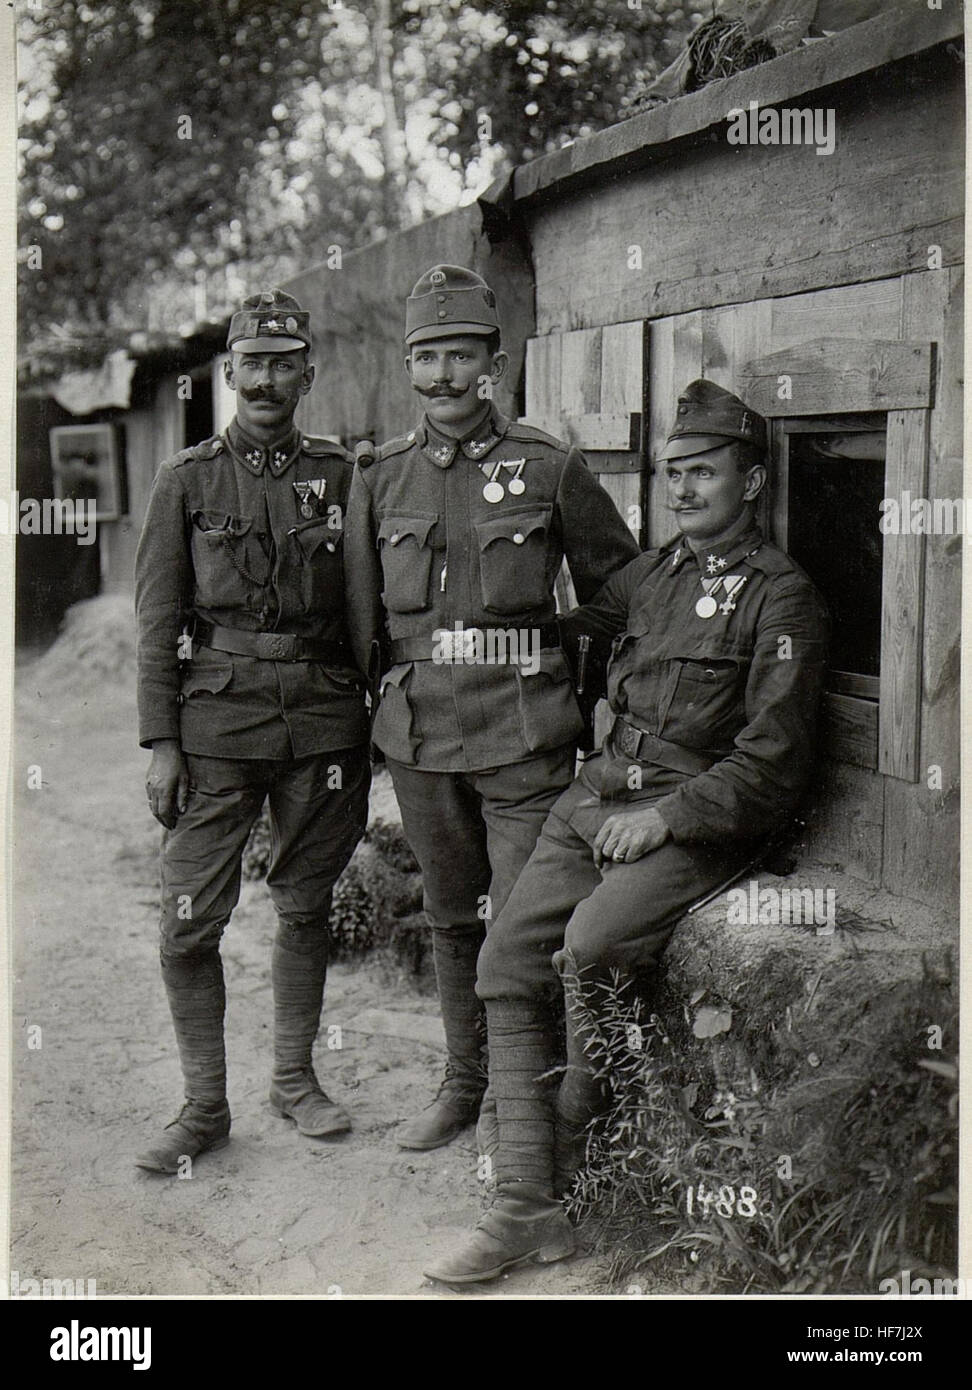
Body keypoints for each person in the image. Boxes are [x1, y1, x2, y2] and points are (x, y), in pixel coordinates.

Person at [424, 378, 830, 1282]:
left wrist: (666, 819)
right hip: (600, 796)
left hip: (698, 815)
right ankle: (527, 1210)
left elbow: (774, 765)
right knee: (503, 960)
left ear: (753, 482)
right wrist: (468, 624)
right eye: (673, 473)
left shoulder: (783, 601)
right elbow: (557, 631)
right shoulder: (652, 576)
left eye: (705, 473)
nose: (683, 490)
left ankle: (568, 1126)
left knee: (593, 942)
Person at [344, 265, 638, 1151]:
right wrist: (381, 715)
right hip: (422, 733)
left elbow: (619, 594)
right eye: (425, 357)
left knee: (521, 922)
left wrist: (568, 680)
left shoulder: (549, 466)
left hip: (522, 735)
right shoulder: (380, 476)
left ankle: (533, 1105)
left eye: (460, 356)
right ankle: (464, 1083)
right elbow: (364, 623)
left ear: (495, 362)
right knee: (447, 912)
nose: (442, 375)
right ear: (407, 367)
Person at [134, 290, 370, 1174]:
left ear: (308, 373)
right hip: (216, 724)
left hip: (323, 720)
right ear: (229, 374)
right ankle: (203, 1107)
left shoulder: (345, 474)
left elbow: (366, 604)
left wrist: (376, 718)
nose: (267, 379)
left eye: (285, 363)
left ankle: (295, 1080)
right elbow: (158, 621)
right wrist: (162, 741)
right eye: (253, 365)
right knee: (188, 921)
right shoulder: (185, 479)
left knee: (306, 907)